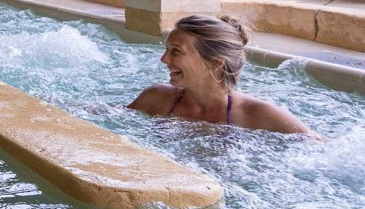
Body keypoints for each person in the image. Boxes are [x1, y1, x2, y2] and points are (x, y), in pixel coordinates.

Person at [128, 14, 310, 134]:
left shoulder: (256, 114)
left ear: (215, 62)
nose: (164, 59)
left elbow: (319, 149)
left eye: (176, 51)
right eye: (167, 49)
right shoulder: (156, 98)